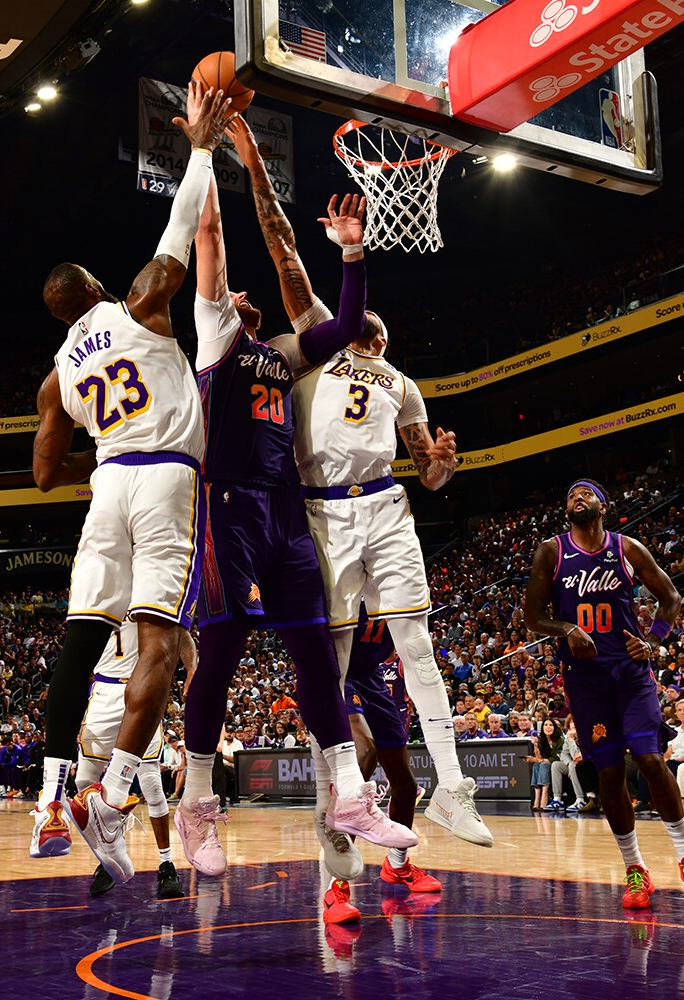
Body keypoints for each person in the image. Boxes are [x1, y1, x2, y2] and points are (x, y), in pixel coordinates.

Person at [177, 119, 414, 883]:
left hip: (287, 511)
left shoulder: (280, 354)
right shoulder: (215, 335)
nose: (241, 294)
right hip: (229, 506)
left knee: (316, 650)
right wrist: (207, 151)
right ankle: (198, 801)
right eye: (233, 291)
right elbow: (209, 231)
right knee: (224, 648)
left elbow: (347, 326)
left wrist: (352, 249)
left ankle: (349, 793)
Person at [28, 84, 231, 885]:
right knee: (159, 643)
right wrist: (204, 148)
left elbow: (46, 474)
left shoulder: (54, 383)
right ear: (93, 289)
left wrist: (97, 455)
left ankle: (51, 797)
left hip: (106, 482)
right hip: (163, 481)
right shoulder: (141, 304)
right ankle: (112, 795)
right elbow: (182, 225)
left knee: (81, 641)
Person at [273, 251, 489, 856]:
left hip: (386, 503)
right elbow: (293, 272)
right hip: (324, 508)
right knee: (332, 666)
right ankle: (334, 819)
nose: (364, 324)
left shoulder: (403, 384)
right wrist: (347, 249)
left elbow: (430, 476)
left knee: (415, 642)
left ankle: (451, 787)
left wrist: (442, 465)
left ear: (386, 338)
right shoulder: (321, 352)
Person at [522, 479, 684, 909]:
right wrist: (567, 628)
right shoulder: (551, 552)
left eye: (586, 493)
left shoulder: (626, 548)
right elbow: (532, 617)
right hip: (585, 680)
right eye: (570, 494)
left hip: (631, 672)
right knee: (609, 773)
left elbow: (670, 597)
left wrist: (654, 639)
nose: (577, 497)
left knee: (649, 758)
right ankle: (635, 869)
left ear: (603, 507)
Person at [75, 621, 192, 900]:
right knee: (84, 781)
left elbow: (182, 634)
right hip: (103, 690)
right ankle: (110, 847)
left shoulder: (147, 592)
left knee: (151, 784)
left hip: (143, 687)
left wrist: (191, 667)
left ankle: (166, 864)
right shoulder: (99, 592)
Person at [344, 610, 441, 908]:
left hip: (371, 678)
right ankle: (337, 882)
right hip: (337, 673)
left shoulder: (394, 588)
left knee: (406, 786)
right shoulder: (346, 577)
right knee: (366, 752)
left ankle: (397, 866)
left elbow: (395, 648)